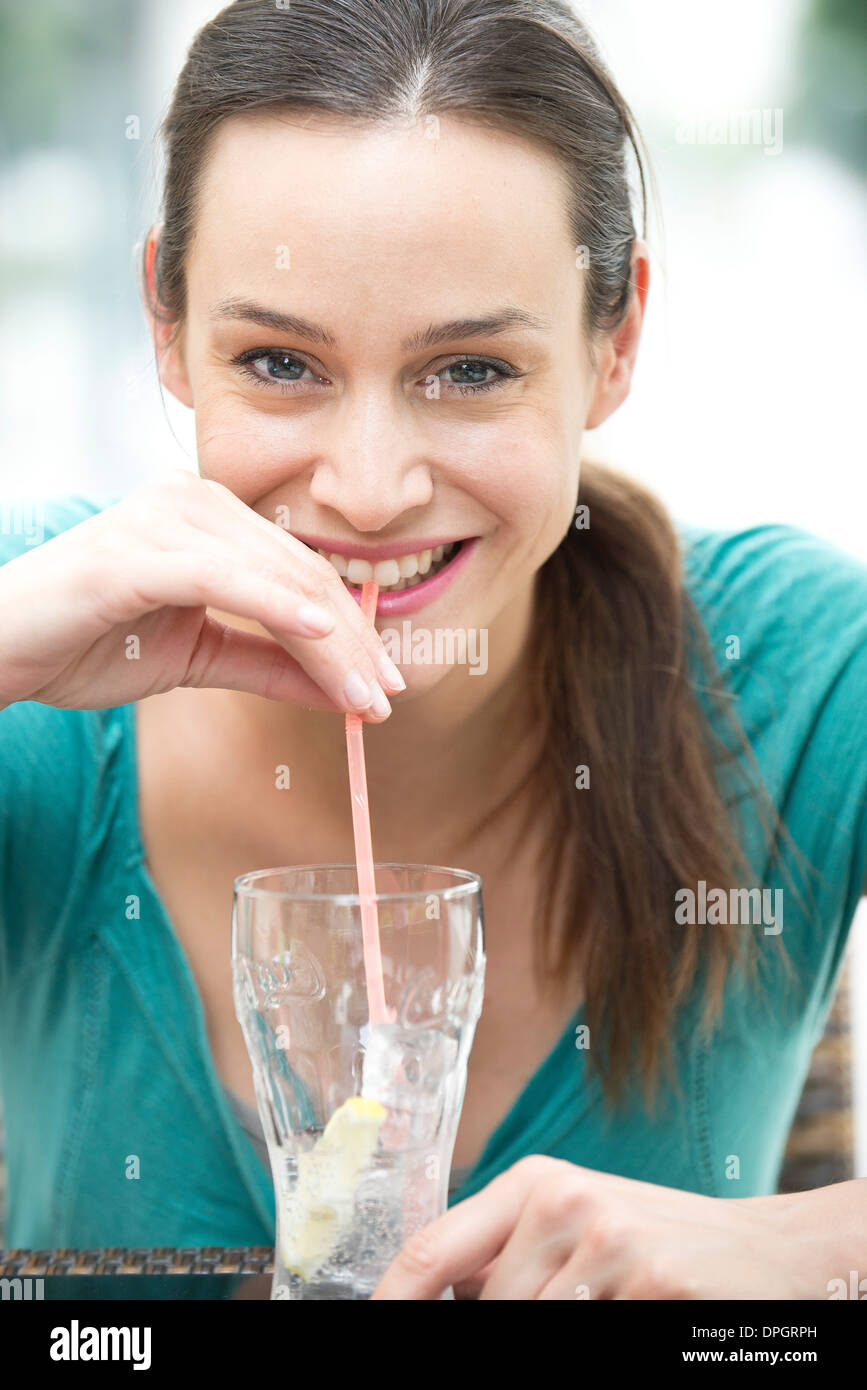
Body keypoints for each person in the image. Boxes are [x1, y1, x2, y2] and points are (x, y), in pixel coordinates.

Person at [1, 0, 865, 1300]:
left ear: (614, 337)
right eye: (280, 360)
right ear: (166, 323)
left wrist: (812, 1248)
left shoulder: (793, 673)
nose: (364, 488)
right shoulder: (39, 655)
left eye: (467, 371)